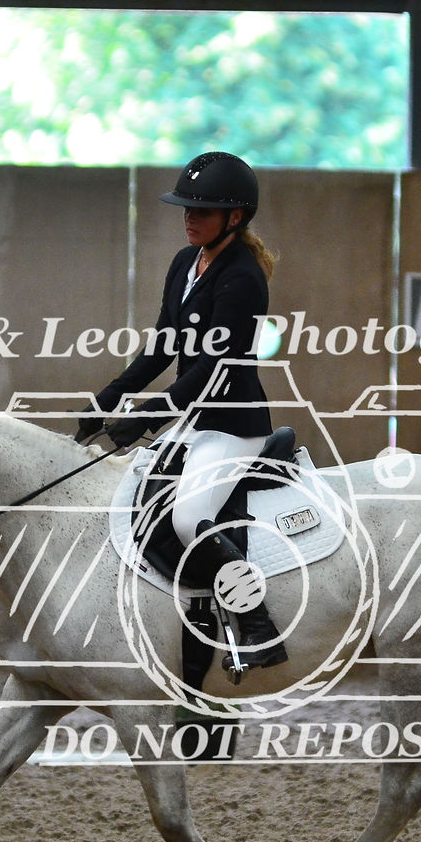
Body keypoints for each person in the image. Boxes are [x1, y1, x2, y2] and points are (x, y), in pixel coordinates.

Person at [76, 151, 287, 675]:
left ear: (235, 218)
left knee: (191, 518)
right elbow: (161, 348)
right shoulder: (183, 263)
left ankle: (257, 624)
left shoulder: (243, 278)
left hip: (232, 424)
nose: (189, 218)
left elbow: (216, 369)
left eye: (202, 210)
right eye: (186, 208)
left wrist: (147, 415)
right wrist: (108, 397)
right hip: (195, 419)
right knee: (134, 495)